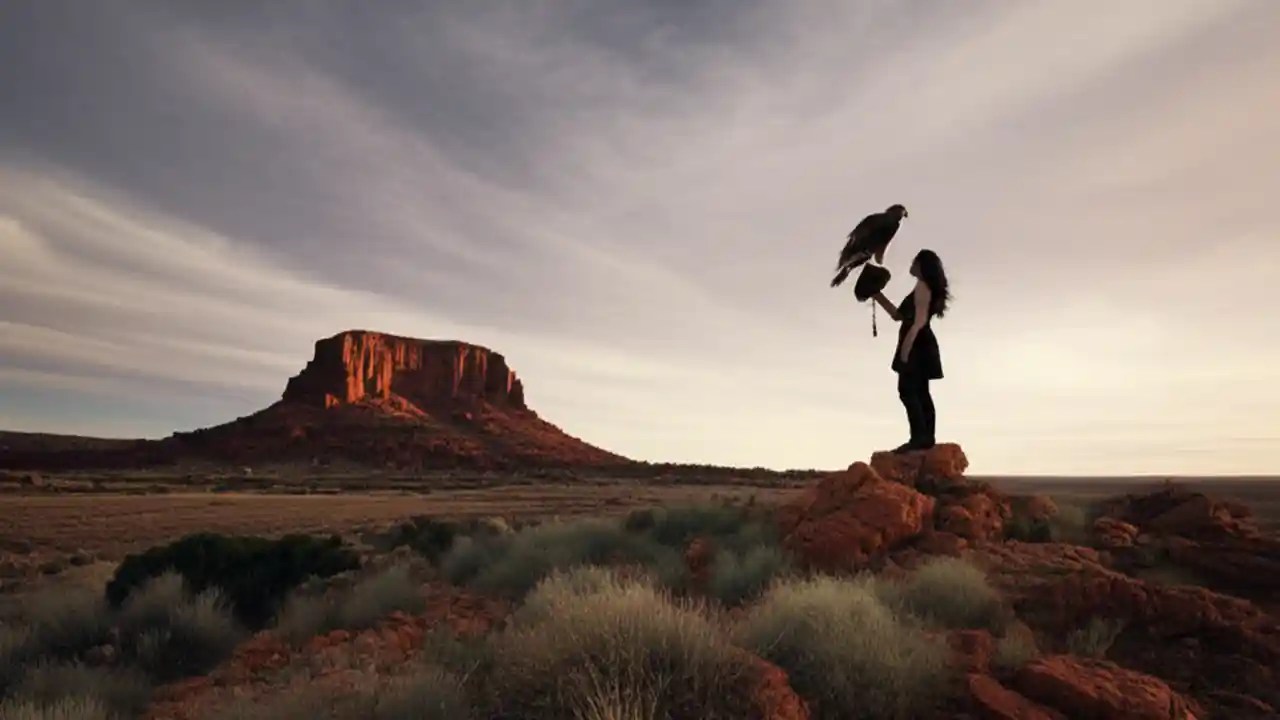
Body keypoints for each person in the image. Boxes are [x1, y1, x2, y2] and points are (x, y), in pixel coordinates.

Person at [872, 249, 950, 453]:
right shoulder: (921, 286)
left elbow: (919, 322)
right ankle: (925, 437)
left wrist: (906, 350)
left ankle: (919, 438)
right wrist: (876, 294)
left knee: (908, 390)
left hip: (918, 343)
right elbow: (898, 316)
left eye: (915, 262)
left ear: (922, 266)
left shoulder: (923, 287)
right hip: (919, 342)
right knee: (920, 391)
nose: (912, 264)